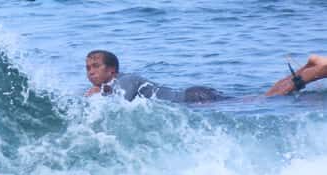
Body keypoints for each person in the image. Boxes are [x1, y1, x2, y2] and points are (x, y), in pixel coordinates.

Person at [85, 50, 327, 102]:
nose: (91, 71)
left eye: (96, 67)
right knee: (263, 96)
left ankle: (315, 72)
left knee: (264, 99)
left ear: (112, 70)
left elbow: (120, 104)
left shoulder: (125, 80)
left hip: (196, 99)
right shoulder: (118, 82)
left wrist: (97, 94)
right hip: (194, 96)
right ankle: (310, 66)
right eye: (87, 68)